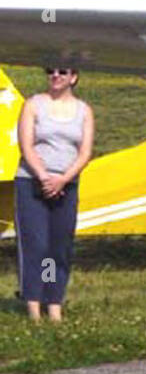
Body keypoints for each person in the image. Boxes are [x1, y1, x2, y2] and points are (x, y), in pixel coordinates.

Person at [14, 63, 94, 322]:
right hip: (32, 181)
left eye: (62, 71)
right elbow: (26, 146)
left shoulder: (84, 111)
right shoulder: (33, 104)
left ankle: (54, 302)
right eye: (50, 71)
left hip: (66, 183)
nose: (56, 76)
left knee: (58, 247)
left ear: (74, 77)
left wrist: (63, 180)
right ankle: (34, 305)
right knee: (35, 245)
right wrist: (44, 176)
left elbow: (85, 152)